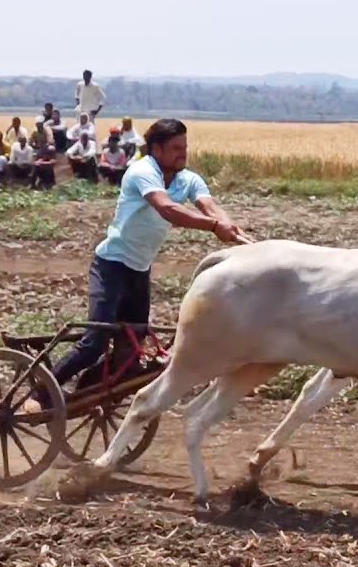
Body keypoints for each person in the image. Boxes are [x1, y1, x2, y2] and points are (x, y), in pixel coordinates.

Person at [21, 118, 243, 415]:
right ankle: (39, 393)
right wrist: (214, 227)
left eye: (185, 147)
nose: (183, 153)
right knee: (95, 341)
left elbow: (209, 206)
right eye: (176, 148)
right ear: (156, 149)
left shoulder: (188, 179)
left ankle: (86, 392)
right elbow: (168, 209)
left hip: (139, 270)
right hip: (111, 266)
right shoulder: (142, 172)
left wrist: (229, 225)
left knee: (130, 347)